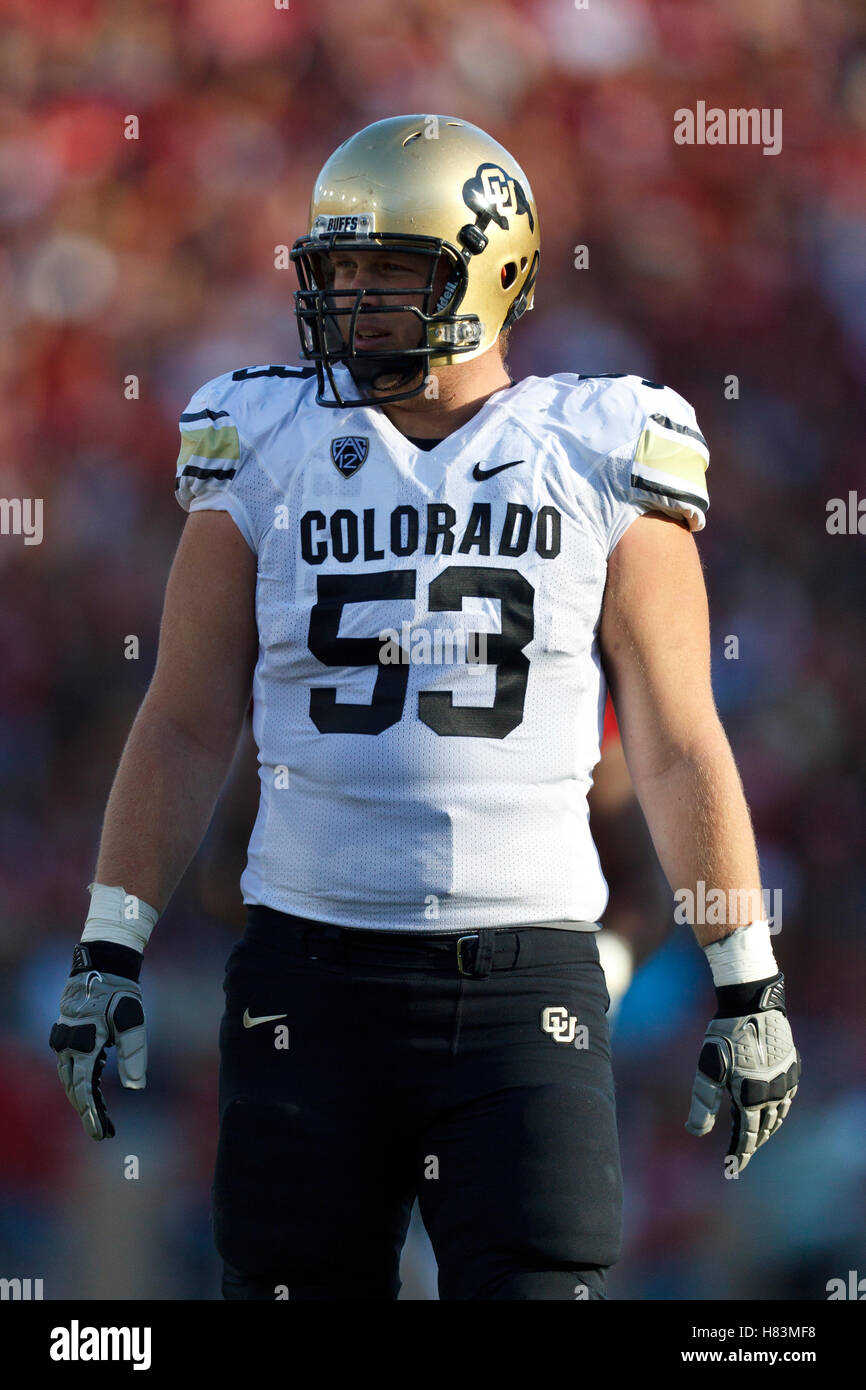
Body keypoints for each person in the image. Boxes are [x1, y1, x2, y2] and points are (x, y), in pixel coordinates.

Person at [50, 114, 801, 1301]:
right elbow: (186, 717)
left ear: (489, 272)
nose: (350, 300)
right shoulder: (266, 437)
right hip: (308, 969)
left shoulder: (602, 446)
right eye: (335, 269)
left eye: (386, 270)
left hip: (522, 985)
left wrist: (744, 978)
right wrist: (108, 945)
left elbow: (674, 735)